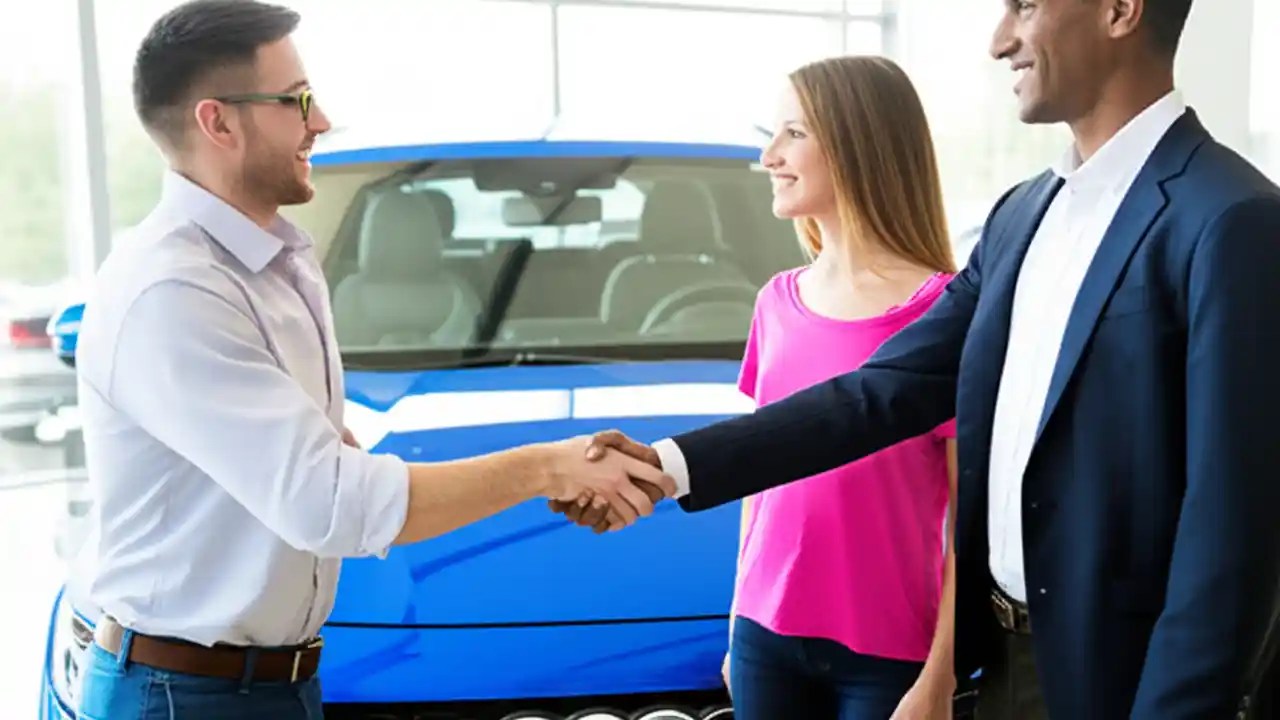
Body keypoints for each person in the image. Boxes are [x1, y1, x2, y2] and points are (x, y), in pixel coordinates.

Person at [562, 0, 1280, 718]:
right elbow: (882, 393)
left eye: (1024, 7)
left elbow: (1233, 529)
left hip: (1119, 678)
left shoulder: (1231, 219)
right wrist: (665, 466)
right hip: (1002, 666)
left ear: (1121, 10)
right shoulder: (1022, 215)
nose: (1001, 41)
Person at [71, 1, 671, 718]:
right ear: (218, 122)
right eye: (297, 100)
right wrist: (548, 465)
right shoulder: (172, 292)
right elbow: (330, 502)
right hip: (185, 695)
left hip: (274, 682)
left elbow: (317, 460)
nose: (319, 120)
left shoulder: (280, 264)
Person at [713, 56, 960, 720]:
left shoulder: (942, 313)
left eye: (793, 133)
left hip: (890, 655)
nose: (769, 156)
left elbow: (967, 521)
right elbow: (754, 477)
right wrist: (738, 620)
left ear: (857, 142)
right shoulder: (775, 303)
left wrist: (940, 678)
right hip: (765, 636)